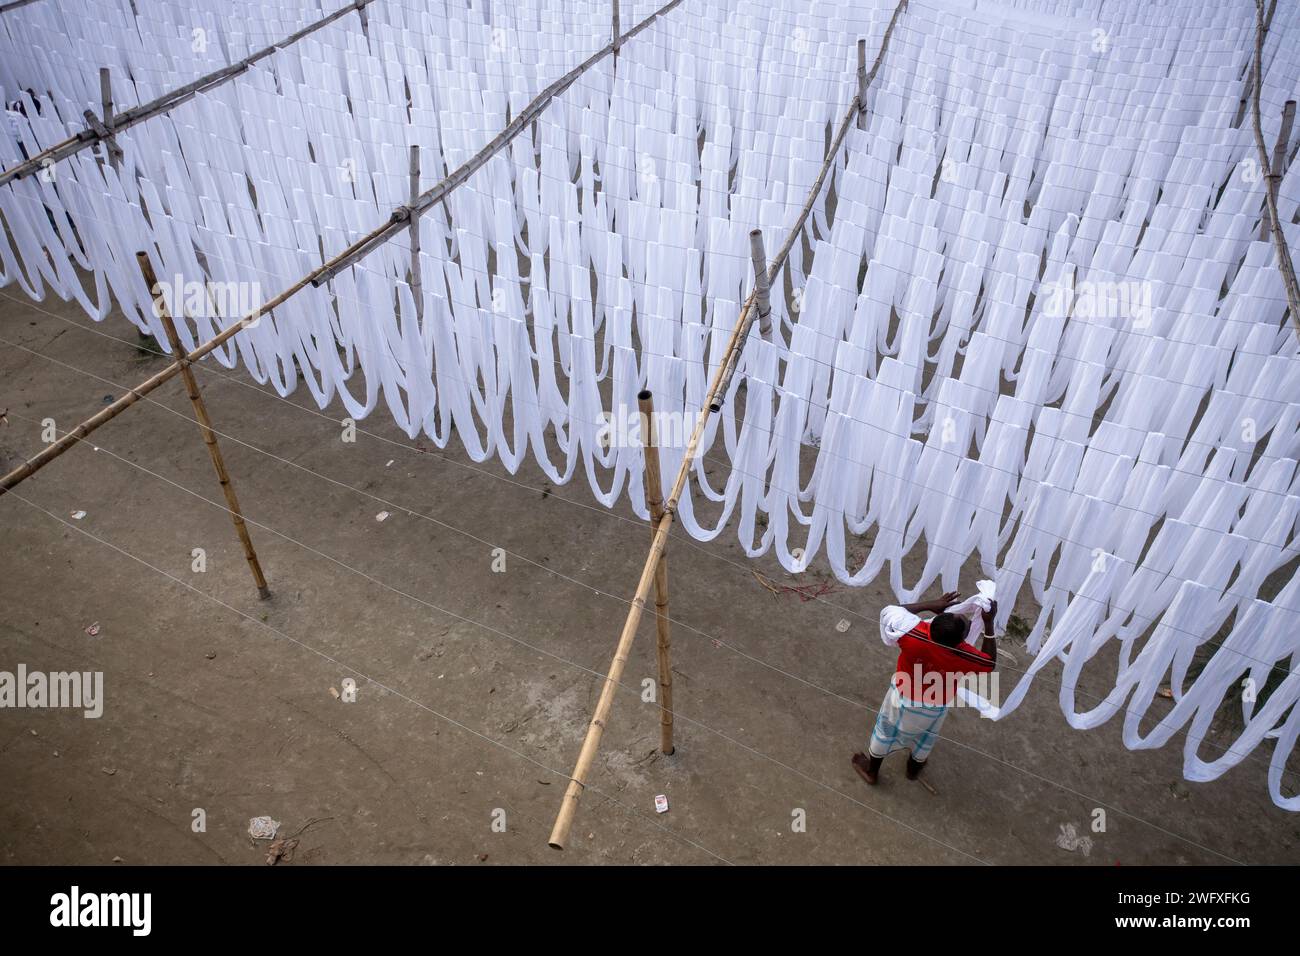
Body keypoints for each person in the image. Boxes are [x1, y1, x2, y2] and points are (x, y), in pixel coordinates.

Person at [852, 589, 997, 785]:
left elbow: (892, 611)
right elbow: (989, 664)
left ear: (930, 626)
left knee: (886, 731)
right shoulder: (964, 655)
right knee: (926, 737)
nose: (970, 622)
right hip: (936, 705)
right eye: (967, 625)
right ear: (961, 641)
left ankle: (872, 771)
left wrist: (930, 604)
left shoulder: (912, 634)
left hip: (902, 698)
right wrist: (988, 624)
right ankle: (913, 770)